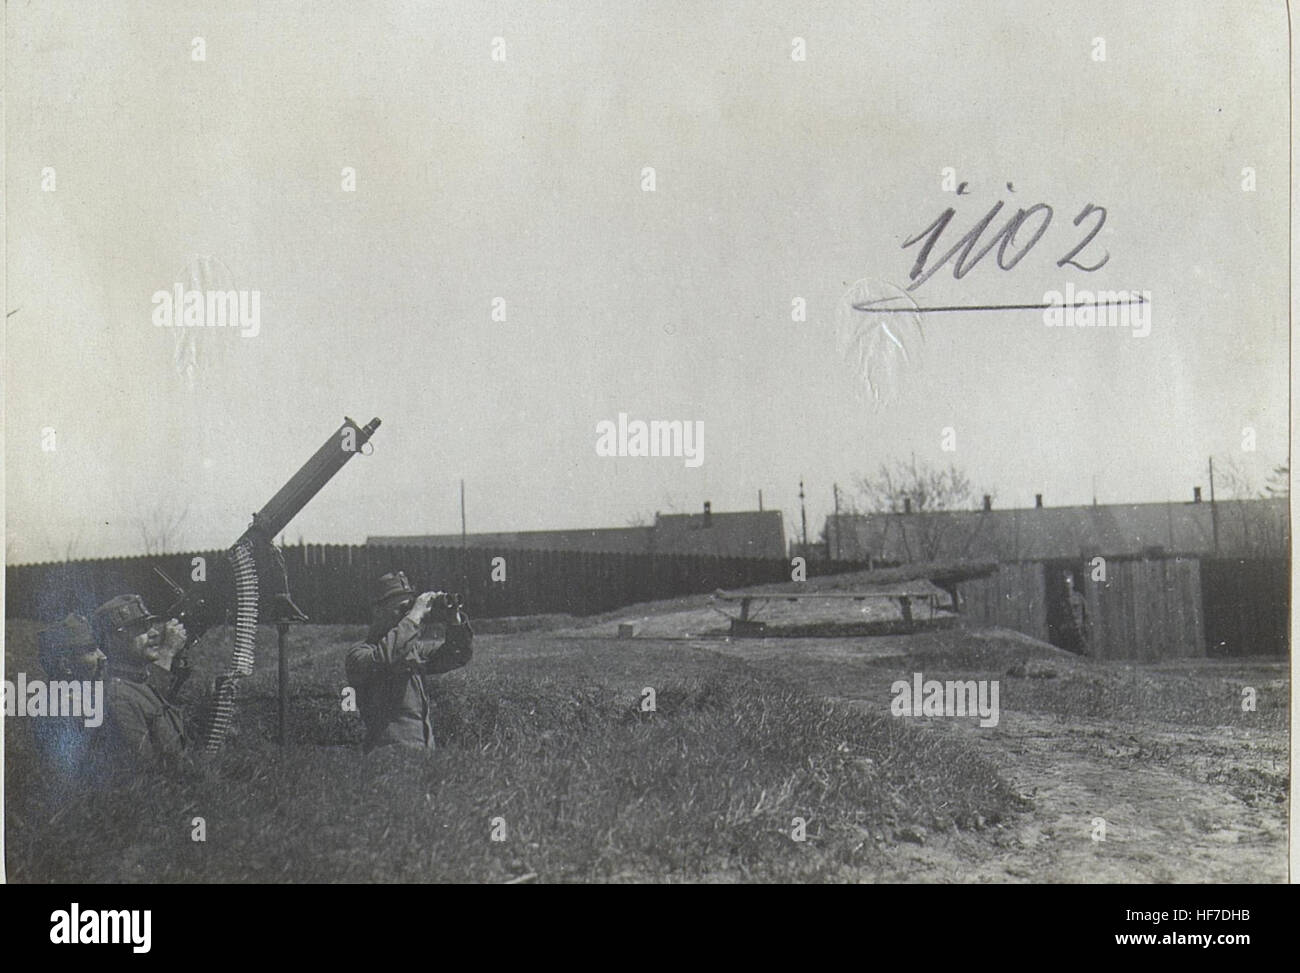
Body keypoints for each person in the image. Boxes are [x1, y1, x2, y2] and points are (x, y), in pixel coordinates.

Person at [345, 571, 473, 753]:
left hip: (423, 754)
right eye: (402, 609)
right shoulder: (359, 654)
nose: (406, 616)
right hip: (386, 758)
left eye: (409, 610)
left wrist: (453, 620)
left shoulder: (412, 651)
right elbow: (385, 658)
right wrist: (415, 615)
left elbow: (457, 656)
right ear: (377, 610)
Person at [90, 593, 189, 770]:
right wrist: (166, 653)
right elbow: (145, 769)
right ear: (113, 640)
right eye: (140, 628)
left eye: (150, 625)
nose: (154, 633)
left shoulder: (138, 682)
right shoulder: (118, 697)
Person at [33, 613, 108, 782]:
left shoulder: (81, 699)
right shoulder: (58, 712)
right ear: (66, 665)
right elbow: (67, 777)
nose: (102, 656)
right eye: (91, 650)